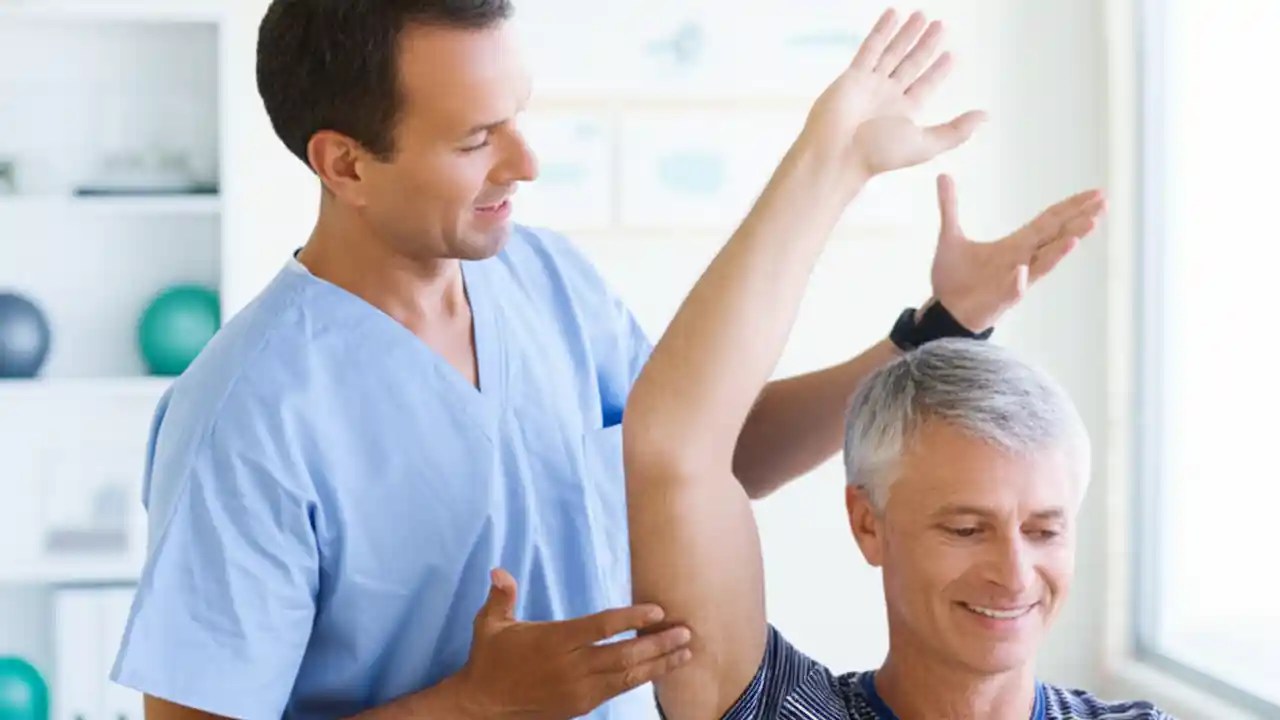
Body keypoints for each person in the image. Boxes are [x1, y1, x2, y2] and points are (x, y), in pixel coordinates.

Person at [112, 4, 1094, 720]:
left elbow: (701, 460)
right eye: (475, 139)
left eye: (519, 115)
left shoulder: (544, 281)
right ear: (345, 164)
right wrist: (472, 707)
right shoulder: (247, 417)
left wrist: (933, 333)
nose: (526, 162)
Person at [620, 10, 1171, 720]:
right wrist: (834, 163)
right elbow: (675, 447)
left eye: (1044, 530)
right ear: (867, 523)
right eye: (966, 529)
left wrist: (946, 325)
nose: (1013, 574)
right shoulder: (790, 710)